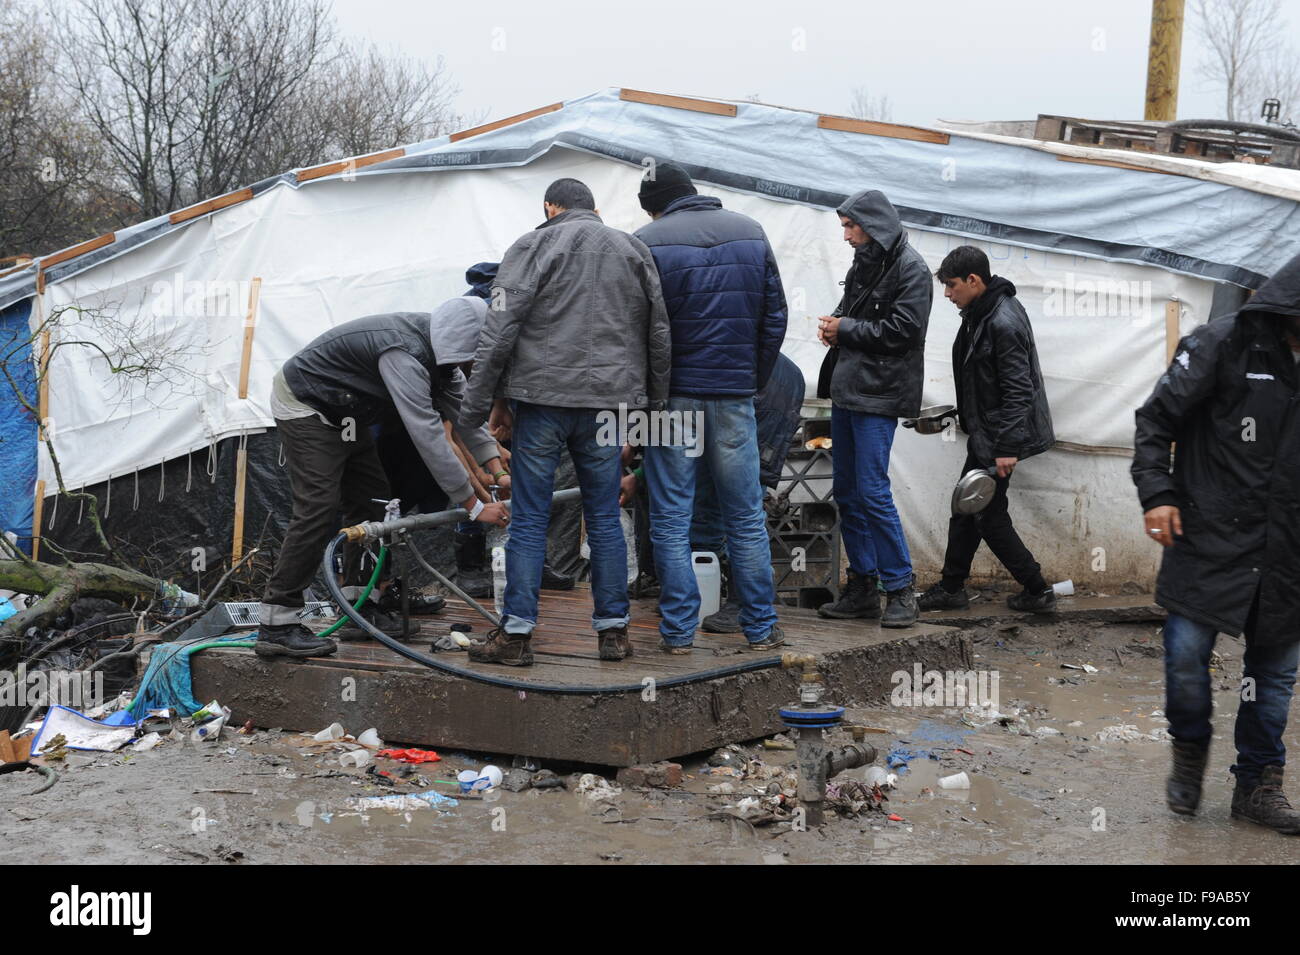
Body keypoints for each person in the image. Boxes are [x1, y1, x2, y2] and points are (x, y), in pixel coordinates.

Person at [460, 178, 671, 666]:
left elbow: (500, 327)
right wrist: (652, 416)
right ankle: (613, 633)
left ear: (549, 207)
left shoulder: (532, 244)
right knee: (603, 518)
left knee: (530, 521)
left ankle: (515, 636)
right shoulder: (632, 248)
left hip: (541, 400)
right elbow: (658, 333)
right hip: (607, 406)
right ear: (593, 208)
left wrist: (476, 408)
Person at [1132, 250, 1300, 834]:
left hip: (1287, 551)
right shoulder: (1222, 345)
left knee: (1273, 675)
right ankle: (1189, 748)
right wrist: (1158, 494)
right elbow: (1155, 421)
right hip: (1209, 535)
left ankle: (1258, 784)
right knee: (1185, 661)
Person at [255, 309, 510, 659]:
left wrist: (497, 472)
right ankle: (277, 623)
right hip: (307, 403)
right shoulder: (403, 355)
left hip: (348, 411)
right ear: (464, 346)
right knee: (319, 506)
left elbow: (468, 417)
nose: (477, 369)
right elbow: (429, 435)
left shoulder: (444, 362)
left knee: (374, 503)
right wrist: (474, 507)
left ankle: (360, 606)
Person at [632, 161, 788, 652]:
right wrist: (750, 379)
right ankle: (760, 628)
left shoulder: (645, 241)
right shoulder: (751, 232)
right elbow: (775, 317)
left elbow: (635, 330)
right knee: (745, 517)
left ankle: (678, 632)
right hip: (734, 398)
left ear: (656, 206)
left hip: (671, 401)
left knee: (671, 519)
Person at [916, 246, 1057, 613]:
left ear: (974, 280)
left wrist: (1006, 447)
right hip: (987, 433)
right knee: (968, 508)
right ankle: (952, 587)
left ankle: (1036, 589)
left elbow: (1018, 389)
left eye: (951, 286)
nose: (947, 294)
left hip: (998, 437)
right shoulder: (981, 311)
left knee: (987, 515)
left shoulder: (1002, 321)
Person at [814, 190, 931, 628]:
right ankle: (863, 586)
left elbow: (904, 330)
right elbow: (855, 316)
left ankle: (900, 589)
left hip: (880, 394)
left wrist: (847, 328)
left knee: (873, 491)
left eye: (850, 226)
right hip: (848, 389)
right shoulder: (865, 262)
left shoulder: (911, 269)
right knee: (847, 490)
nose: (845, 235)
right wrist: (835, 326)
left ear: (873, 224)